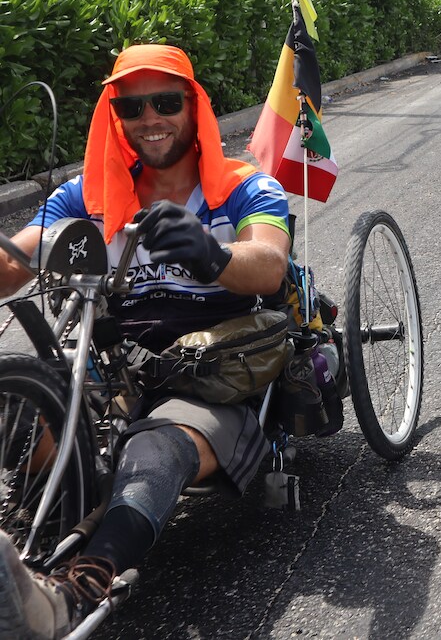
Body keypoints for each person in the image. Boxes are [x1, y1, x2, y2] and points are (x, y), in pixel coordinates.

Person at [0, 44, 291, 639]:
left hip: (213, 378)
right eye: (132, 107)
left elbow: (268, 265)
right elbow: (14, 261)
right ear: (116, 116)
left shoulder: (243, 187)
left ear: (194, 106)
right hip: (114, 371)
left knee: (154, 452)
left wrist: (213, 253)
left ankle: (73, 594)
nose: (149, 119)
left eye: (165, 102)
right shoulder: (89, 196)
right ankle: (33, 543)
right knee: (19, 415)